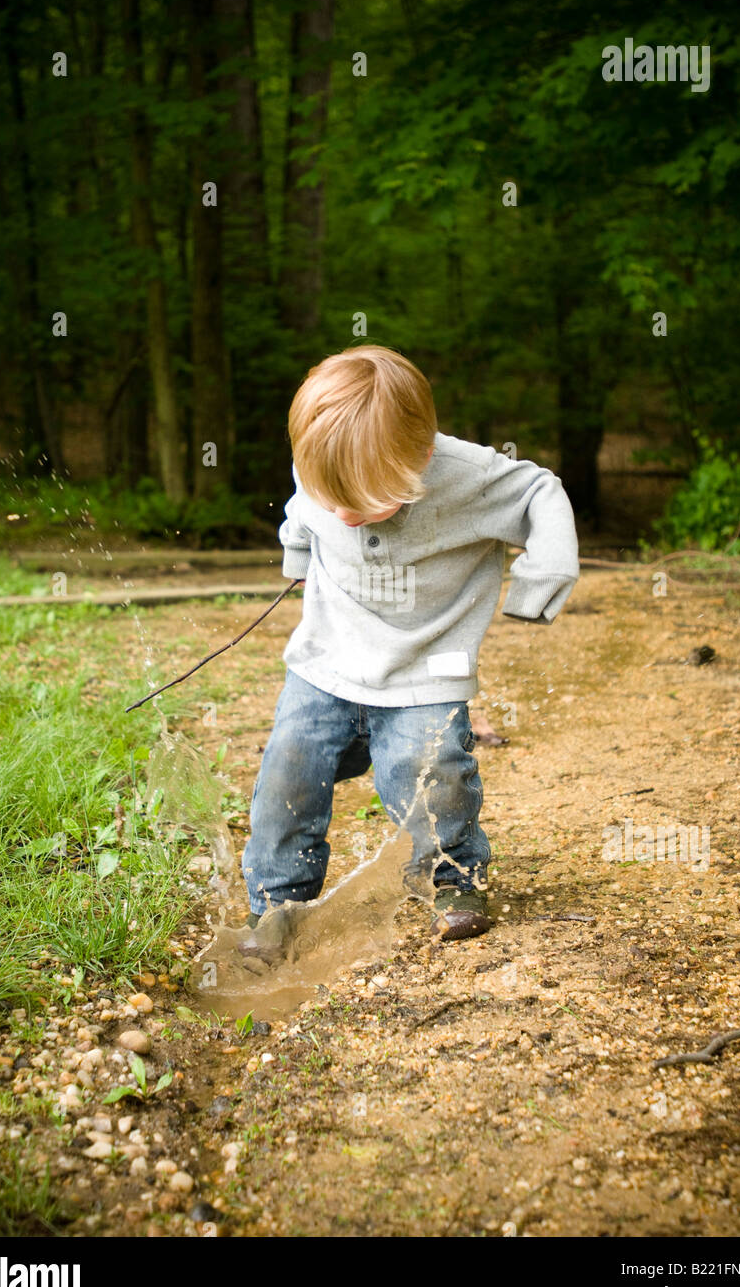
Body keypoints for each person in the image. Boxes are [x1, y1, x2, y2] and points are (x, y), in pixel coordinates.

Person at [238, 344, 579, 960]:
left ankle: (452, 880)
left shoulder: (472, 477)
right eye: (330, 497)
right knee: (289, 771)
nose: (343, 515)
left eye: (363, 502)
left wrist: (542, 577)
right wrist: (296, 551)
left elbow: (540, 493)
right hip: (328, 660)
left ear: (420, 457)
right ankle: (277, 903)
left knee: (432, 772)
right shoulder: (325, 459)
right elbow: (301, 506)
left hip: (428, 667)